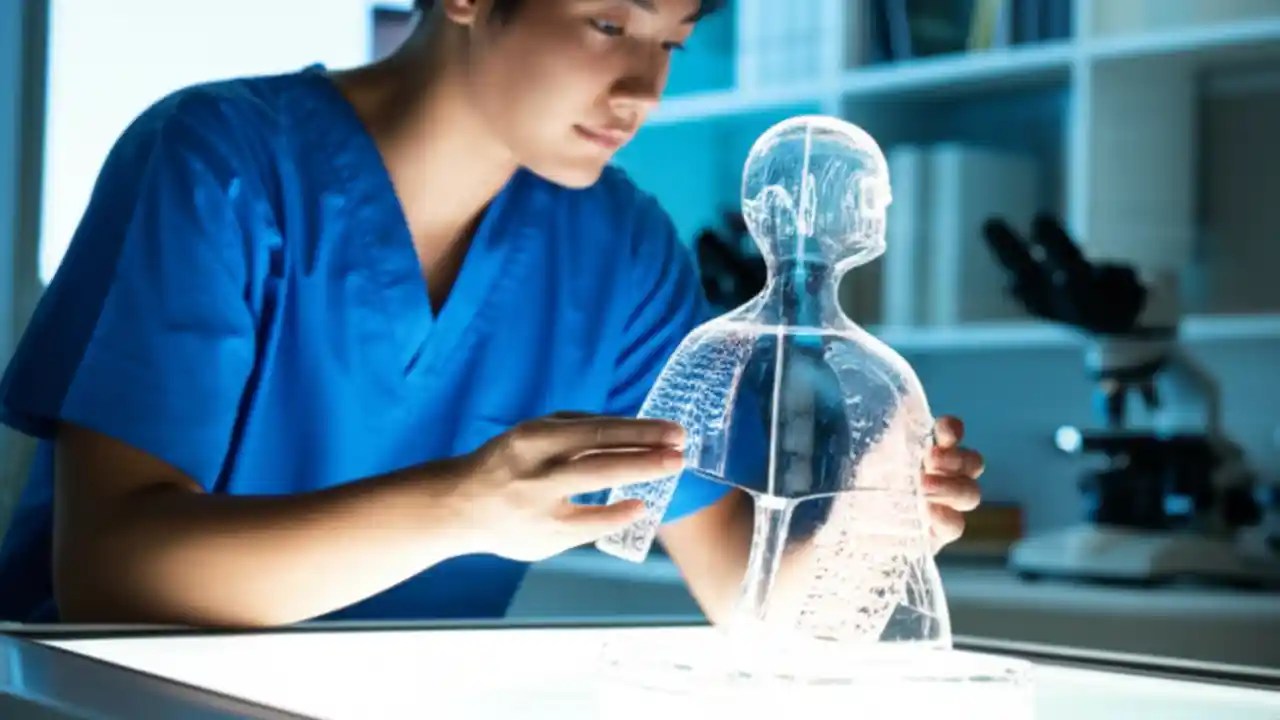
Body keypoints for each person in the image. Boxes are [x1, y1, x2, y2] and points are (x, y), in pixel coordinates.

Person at [0, 0, 984, 627]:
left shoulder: (621, 250)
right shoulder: (217, 162)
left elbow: (746, 592)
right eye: (610, 24)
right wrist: (463, 505)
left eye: (670, 41)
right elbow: (109, 576)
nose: (643, 87)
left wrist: (879, 528)